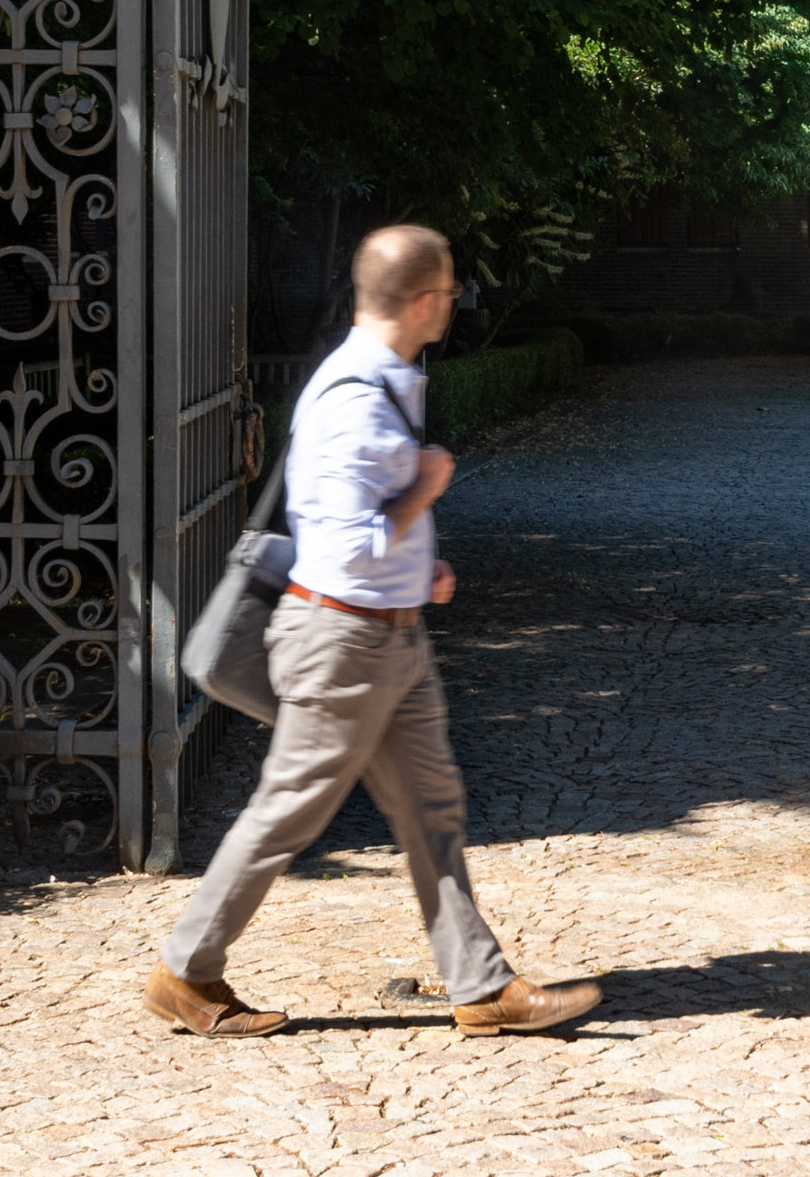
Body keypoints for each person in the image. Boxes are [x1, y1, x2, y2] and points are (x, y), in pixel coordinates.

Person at [143, 224, 598, 1039]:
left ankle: (482, 986)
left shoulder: (386, 383)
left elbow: (357, 532)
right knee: (288, 812)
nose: (453, 305)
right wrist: (425, 491)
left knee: (433, 809)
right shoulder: (355, 399)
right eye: (450, 291)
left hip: (389, 636)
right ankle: (186, 969)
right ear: (423, 301)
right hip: (342, 643)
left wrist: (421, 571)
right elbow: (347, 546)